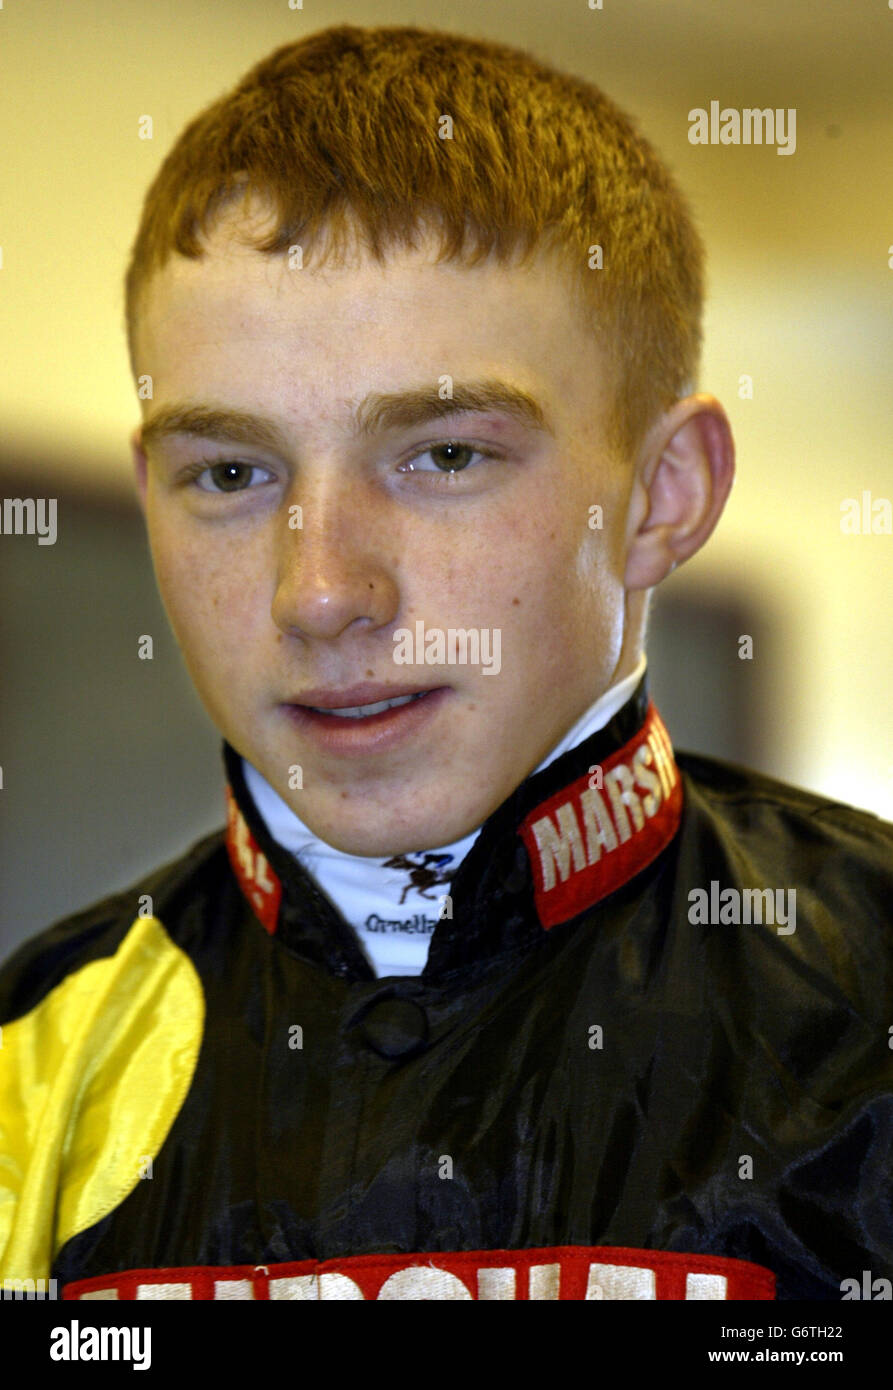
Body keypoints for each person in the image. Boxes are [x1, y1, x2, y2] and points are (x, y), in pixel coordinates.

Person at [1, 23, 891, 1304]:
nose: (319, 594)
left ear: (662, 495)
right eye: (232, 474)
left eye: (444, 457)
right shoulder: (29, 1073)